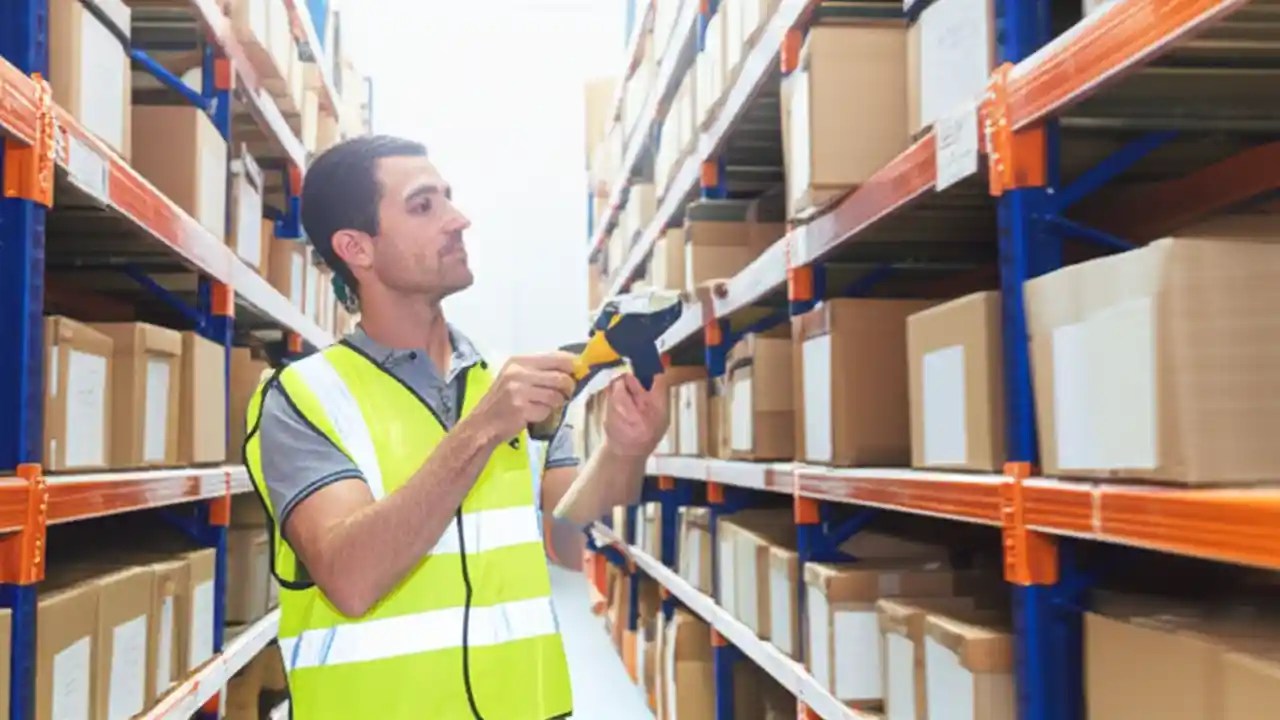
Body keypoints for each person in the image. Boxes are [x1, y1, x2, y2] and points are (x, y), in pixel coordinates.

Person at [243, 134, 669, 720]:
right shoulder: (303, 398)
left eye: (448, 198)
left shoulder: (506, 382)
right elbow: (350, 578)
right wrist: (482, 429)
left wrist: (626, 451)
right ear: (356, 248)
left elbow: (568, 541)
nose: (458, 219)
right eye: (424, 206)